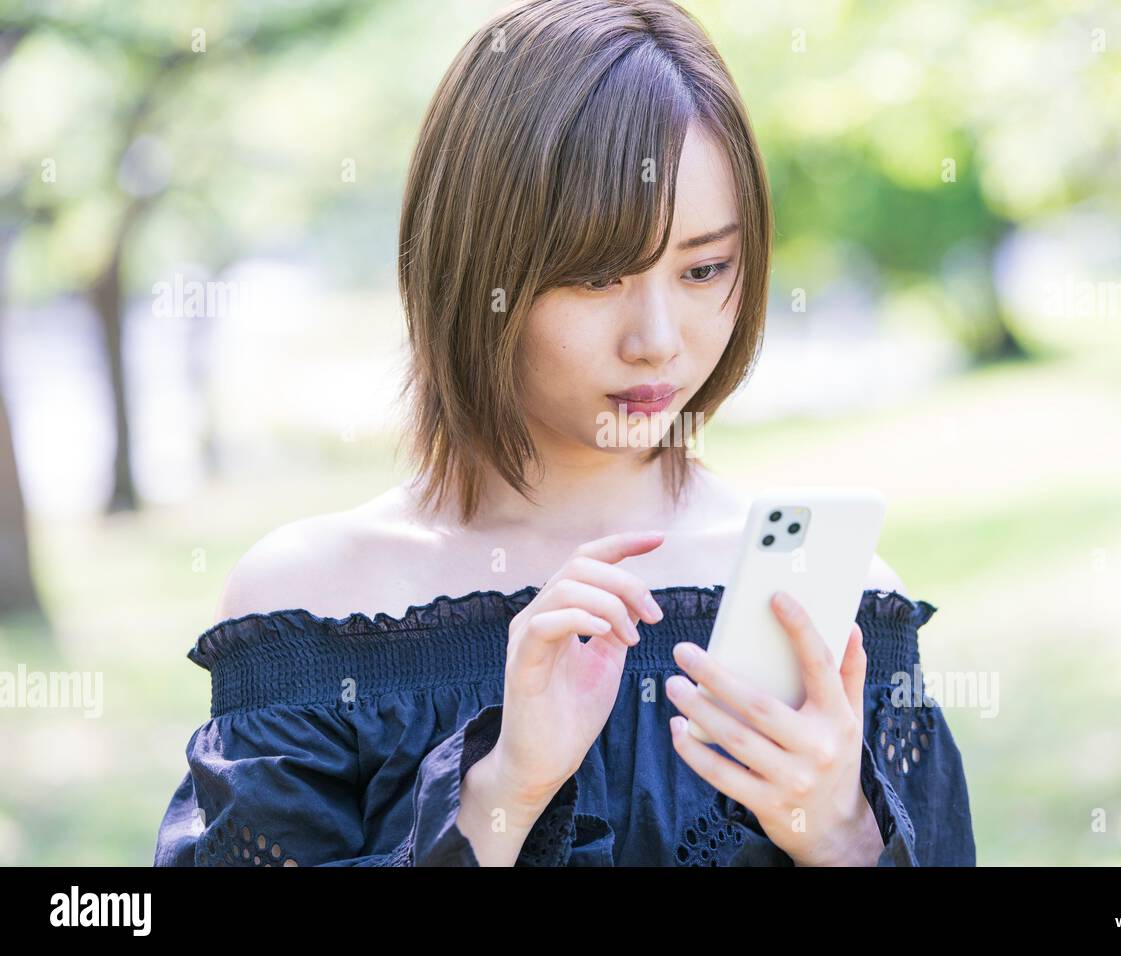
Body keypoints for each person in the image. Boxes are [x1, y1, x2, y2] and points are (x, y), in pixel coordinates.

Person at [153, 0, 975, 867]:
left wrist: (838, 833)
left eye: (704, 269)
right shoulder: (313, 608)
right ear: (475, 268)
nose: (656, 337)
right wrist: (501, 796)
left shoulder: (830, 612)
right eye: (594, 276)